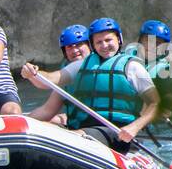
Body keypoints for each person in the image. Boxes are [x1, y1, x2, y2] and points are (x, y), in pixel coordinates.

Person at [19, 17, 160, 151]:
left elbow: (156, 103)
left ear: (119, 39)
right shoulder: (81, 66)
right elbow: (51, 78)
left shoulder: (133, 67)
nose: (104, 45)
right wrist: (34, 73)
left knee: (76, 135)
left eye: (108, 40)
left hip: (119, 133)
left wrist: (134, 127)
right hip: (86, 130)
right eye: (99, 42)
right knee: (50, 131)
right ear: (93, 45)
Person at [24, 24, 90, 127]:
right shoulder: (68, 72)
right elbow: (47, 110)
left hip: (100, 127)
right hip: (80, 124)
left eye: (79, 44)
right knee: (54, 120)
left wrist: (32, 73)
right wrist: (22, 122)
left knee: (58, 120)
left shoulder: (86, 64)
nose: (74, 50)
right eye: (69, 47)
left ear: (89, 45)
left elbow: (48, 81)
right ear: (65, 52)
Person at [124, 19, 172, 117]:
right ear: (140, 41)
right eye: (149, 41)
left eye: (158, 44)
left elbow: (169, 98)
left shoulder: (163, 71)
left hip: (141, 118)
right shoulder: (124, 58)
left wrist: (165, 108)